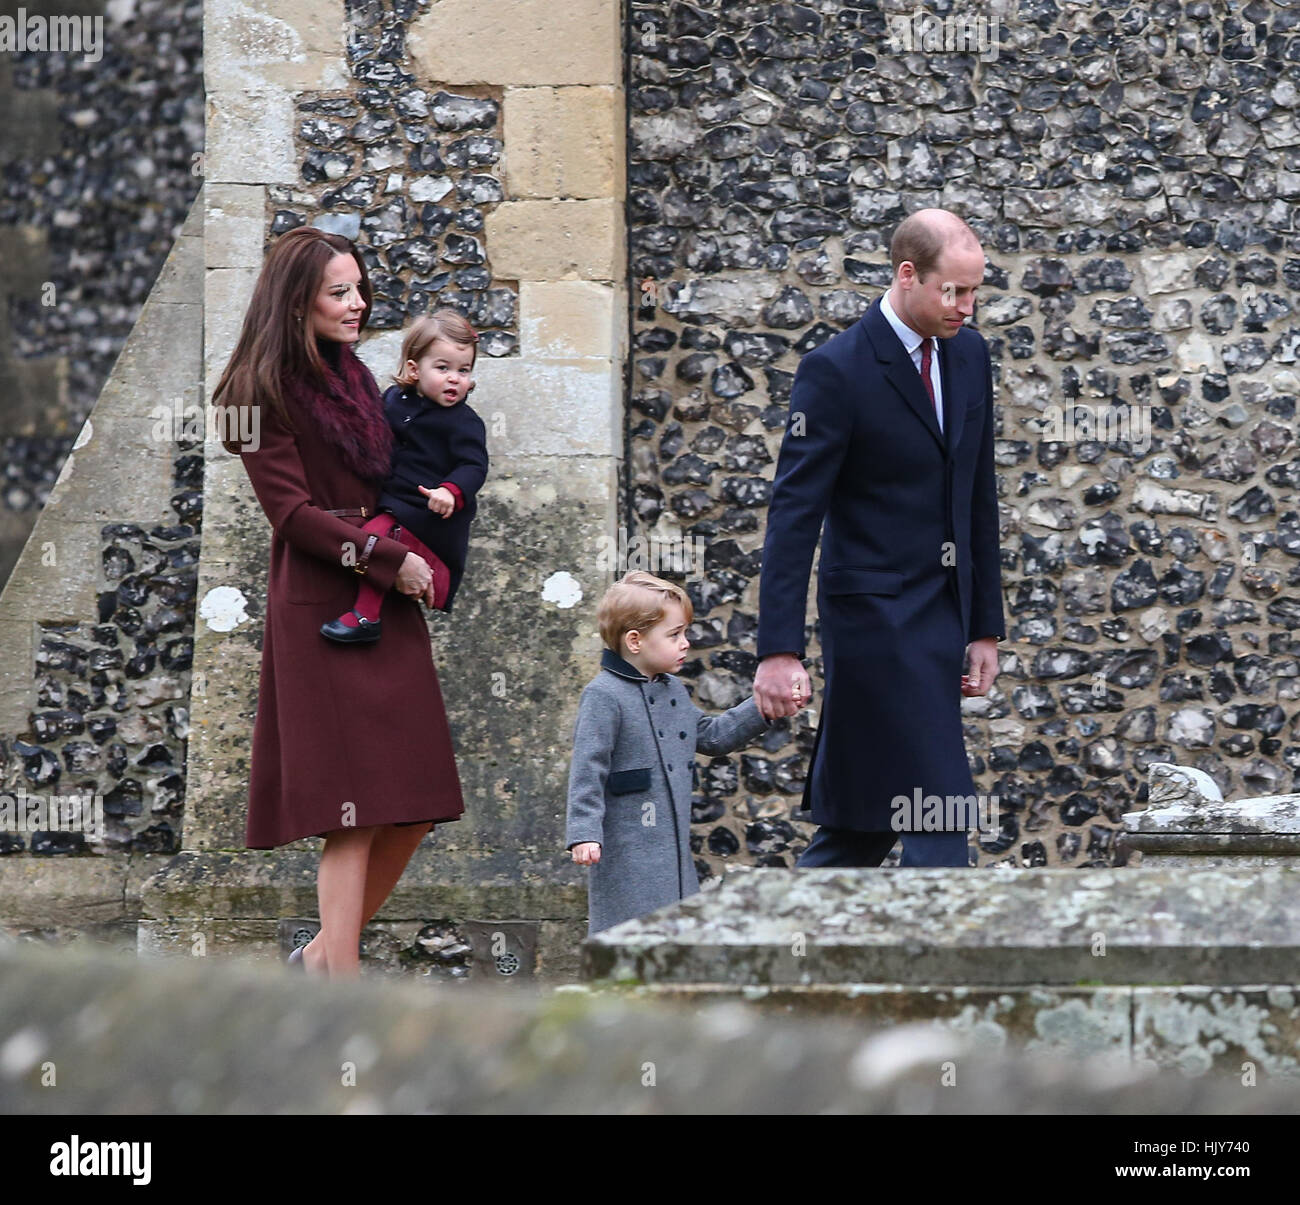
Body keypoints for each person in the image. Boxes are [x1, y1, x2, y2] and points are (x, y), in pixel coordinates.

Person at [210, 225, 465, 977]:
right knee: (350, 815)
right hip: (323, 601)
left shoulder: (357, 377)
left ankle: (319, 960)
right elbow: (290, 515)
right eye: (340, 291)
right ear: (297, 302)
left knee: (415, 804)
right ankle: (342, 994)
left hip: (384, 592)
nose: (359, 304)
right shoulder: (252, 393)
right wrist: (391, 560)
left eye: (359, 288)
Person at [754, 207, 1005, 869]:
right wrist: (779, 649)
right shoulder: (835, 370)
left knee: (862, 824)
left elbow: (978, 496)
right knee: (938, 806)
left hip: (944, 618)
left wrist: (985, 625)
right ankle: (941, 969)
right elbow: (793, 515)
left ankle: (778, 953)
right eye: (953, 290)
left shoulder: (972, 354)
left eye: (975, 290)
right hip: (874, 626)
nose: (967, 306)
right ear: (906, 275)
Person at [565, 571, 784, 935]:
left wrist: (764, 706)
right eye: (674, 635)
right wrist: (584, 832)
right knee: (627, 940)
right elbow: (588, 767)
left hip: (674, 854)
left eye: (685, 632)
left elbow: (711, 737)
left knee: (675, 938)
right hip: (626, 852)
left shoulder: (673, 691)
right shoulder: (603, 695)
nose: (686, 643)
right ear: (635, 641)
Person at [320, 309, 489, 643]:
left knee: (374, 541)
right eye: (443, 368)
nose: (454, 378)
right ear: (414, 369)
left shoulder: (464, 422)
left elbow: (474, 466)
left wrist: (451, 491)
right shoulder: (394, 400)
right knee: (367, 538)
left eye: (463, 370)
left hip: (426, 512)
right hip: (394, 501)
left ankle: (366, 618)